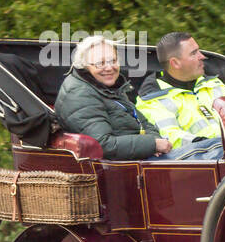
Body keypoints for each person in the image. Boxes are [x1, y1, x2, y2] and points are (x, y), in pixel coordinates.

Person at [57, 35, 204, 160]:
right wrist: (153, 144)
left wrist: (155, 142)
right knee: (209, 153)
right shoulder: (79, 94)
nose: (109, 68)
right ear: (84, 66)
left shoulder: (108, 87)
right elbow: (103, 144)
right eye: (100, 63)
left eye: (113, 61)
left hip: (142, 156)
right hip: (121, 168)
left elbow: (145, 123)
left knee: (212, 147)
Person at [135, 32, 225, 160]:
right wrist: (215, 145)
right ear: (175, 63)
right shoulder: (151, 99)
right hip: (199, 163)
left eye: (199, 51)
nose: (202, 56)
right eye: (194, 53)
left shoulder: (214, 83)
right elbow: (170, 137)